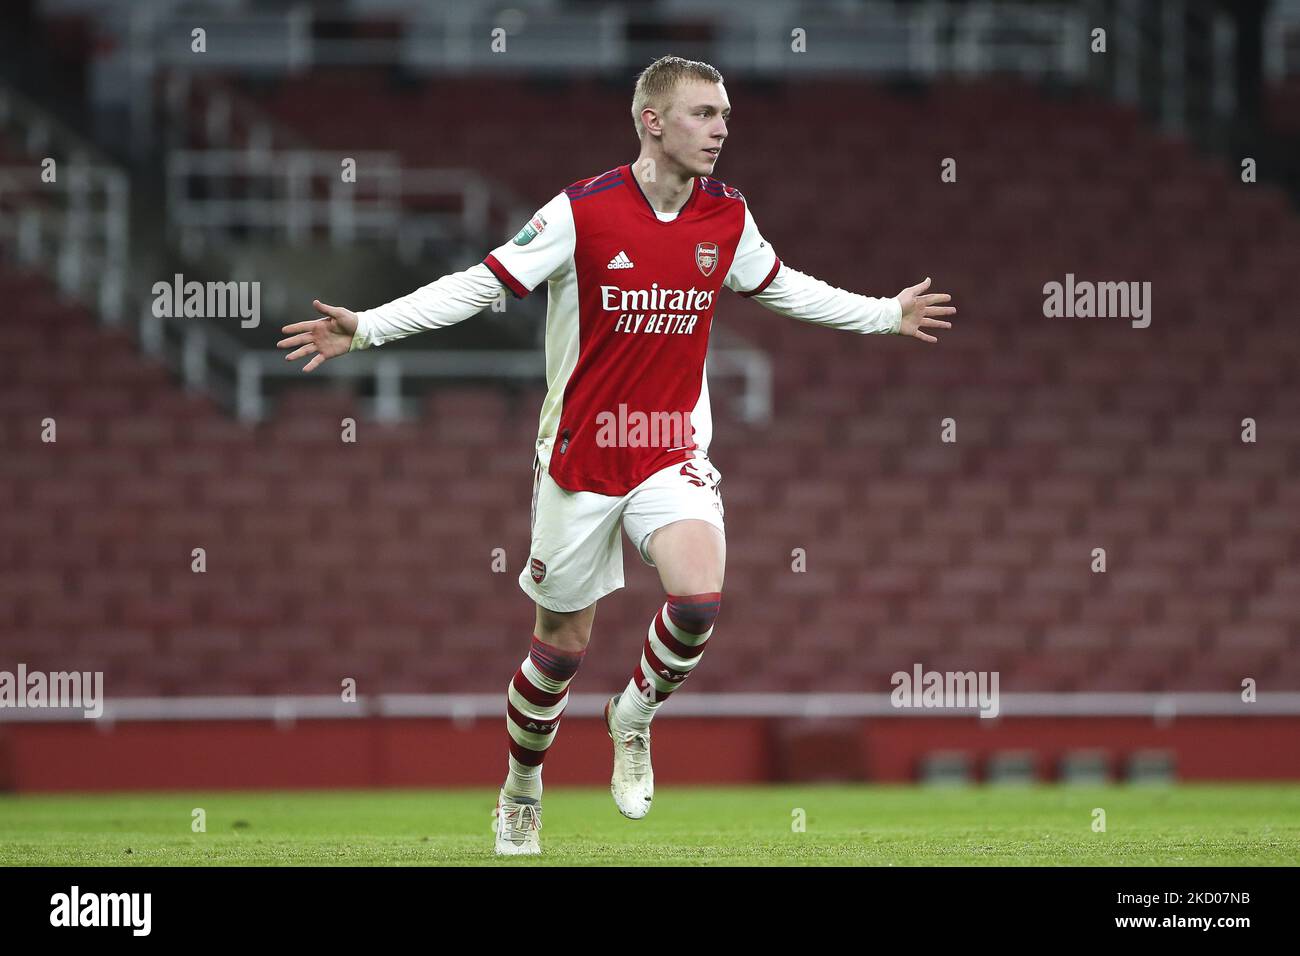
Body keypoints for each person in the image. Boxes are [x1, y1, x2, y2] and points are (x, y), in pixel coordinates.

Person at [278, 55, 955, 856]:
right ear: (653, 121)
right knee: (559, 650)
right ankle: (522, 788)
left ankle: (633, 714)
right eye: (704, 114)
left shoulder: (727, 216)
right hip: (580, 458)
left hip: (669, 445)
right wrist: (371, 325)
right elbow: (480, 284)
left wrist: (885, 315)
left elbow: (784, 286)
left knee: (698, 599)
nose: (721, 129)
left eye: (726, 115)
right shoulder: (581, 212)